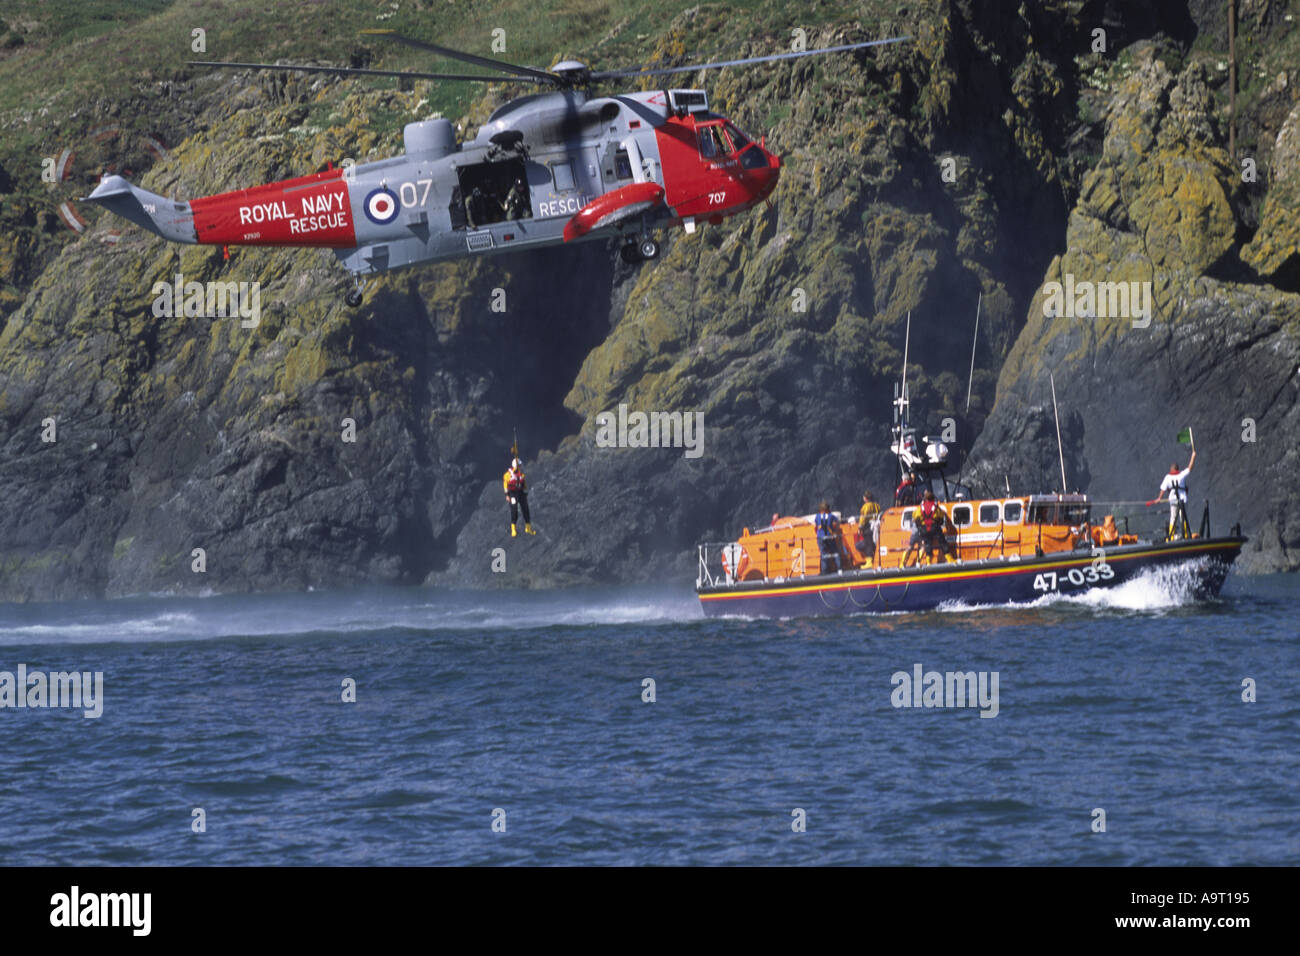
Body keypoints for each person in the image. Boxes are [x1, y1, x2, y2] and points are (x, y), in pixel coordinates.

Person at [903, 489, 956, 566]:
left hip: (924, 529)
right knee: (943, 542)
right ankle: (949, 558)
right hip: (934, 528)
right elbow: (941, 515)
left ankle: (928, 562)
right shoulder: (935, 507)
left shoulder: (920, 508)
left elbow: (915, 516)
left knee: (927, 544)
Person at [1155, 450, 1196, 540]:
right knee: (1183, 518)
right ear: (1177, 469)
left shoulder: (1168, 477)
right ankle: (1185, 535)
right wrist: (1193, 457)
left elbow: (1163, 489)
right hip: (1182, 500)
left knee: (1173, 518)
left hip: (1173, 501)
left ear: (1171, 469)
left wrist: (1159, 498)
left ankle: (1171, 536)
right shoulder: (1181, 475)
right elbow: (1190, 467)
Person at [503, 457, 535, 537]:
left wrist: (525, 492)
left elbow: (524, 484)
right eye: (520, 465)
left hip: (520, 493)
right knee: (514, 510)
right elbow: (505, 485)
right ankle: (513, 529)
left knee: (525, 509)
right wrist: (507, 495)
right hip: (512, 494)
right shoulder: (508, 475)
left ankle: (528, 527)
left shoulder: (521, 474)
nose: (521, 466)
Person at [813, 501, 842, 574]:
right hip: (829, 536)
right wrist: (834, 531)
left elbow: (816, 526)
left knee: (823, 553)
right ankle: (839, 568)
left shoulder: (817, 516)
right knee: (835, 551)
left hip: (820, 537)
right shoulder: (831, 516)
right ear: (827, 509)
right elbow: (835, 524)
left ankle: (825, 570)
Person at [857, 491, 881, 566]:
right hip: (875, 526)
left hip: (867, 527)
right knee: (873, 544)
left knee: (868, 544)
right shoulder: (877, 505)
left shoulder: (866, 506)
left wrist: (860, 527)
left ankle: (869, 562)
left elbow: (863, 518)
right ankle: (874, 559)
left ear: (865, 498)